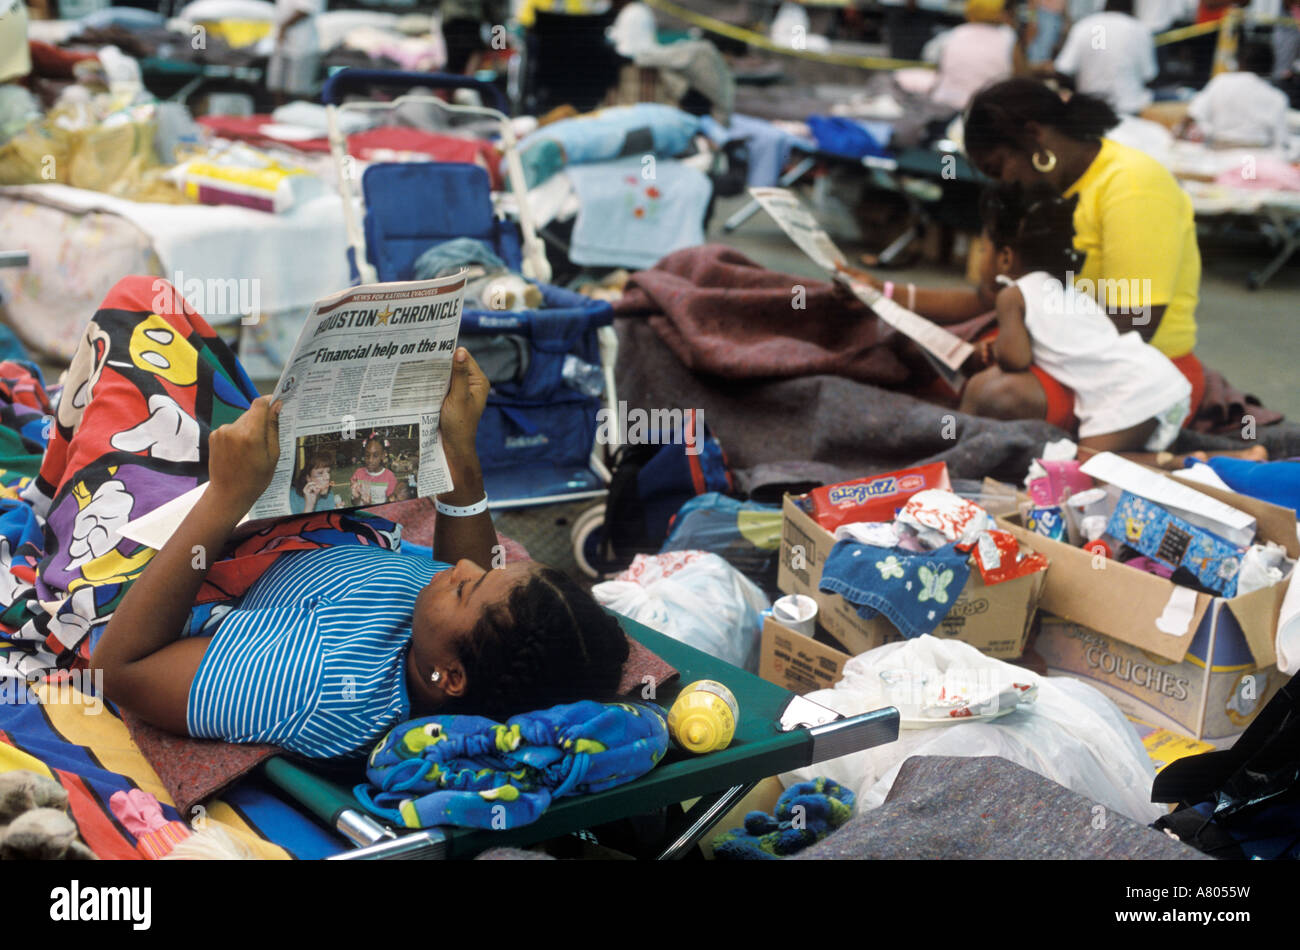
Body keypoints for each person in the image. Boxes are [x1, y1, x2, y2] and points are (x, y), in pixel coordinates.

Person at [90, 346, 630, 759]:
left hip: (188, 537)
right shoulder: (439, 646)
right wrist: (458, 451)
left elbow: (120, 669)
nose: (465, 566)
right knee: (188, 342)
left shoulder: (313, 682)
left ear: (451, 677)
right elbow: (465, 572)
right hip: (292, 519)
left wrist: (225, 498)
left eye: (466, 587)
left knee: (133, 323)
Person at [847, 80, 1206, 429]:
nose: (1001, 183)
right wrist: (882, 294)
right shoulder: (1043, 191)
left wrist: (1016, 351)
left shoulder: (1132, 185)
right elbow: (989, 298)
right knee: (909, 352)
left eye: (998, 168)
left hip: (1136, 373)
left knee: (996, 395)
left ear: (1034, 136)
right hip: (1067, 353)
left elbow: (1138, 321)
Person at [969, 183, 1193, 456]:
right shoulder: (1070, 293)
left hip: (1133, 392)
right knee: (1137, 464)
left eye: (982, 249)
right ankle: (1194, 461)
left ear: (1005, 258)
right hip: (1160, 377)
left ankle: (1179, 464)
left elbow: (1015, 359)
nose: (980, 256)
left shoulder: (1012, 296)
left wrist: (998, 348)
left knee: (1091, 467)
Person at [1052, 0, 1158, 115]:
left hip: (1090, 109)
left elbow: (1062, 70)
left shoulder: (1084, 26)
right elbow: (1149, 75)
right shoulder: (1140, 29)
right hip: (1129, 108)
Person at [923, 0, 1026, 111]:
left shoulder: (954, 34)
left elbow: (931, 60)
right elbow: (1022, 76)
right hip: (988, 108)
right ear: (1001, 13)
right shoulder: (1007, 35)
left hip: (946, 104)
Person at [1186, 42, 1289, 147]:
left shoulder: (1221, 82)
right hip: (1258, 157)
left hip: (1219, 154)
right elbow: (1280, 141)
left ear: (1240, 62)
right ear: (1270, 66)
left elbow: (1194, 114)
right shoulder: (1276, 97)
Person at [267, 0, 322, 104]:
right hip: (282, 43)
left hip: (304, 45)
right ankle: (281, 114)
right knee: (278, 86)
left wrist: (284, 27)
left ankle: (301, 117)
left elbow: (305, 10)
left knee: (300, 89)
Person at [351, 435, 398, 505]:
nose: (370, 460)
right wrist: (356, 497)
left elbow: (390, 506)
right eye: (367, 455)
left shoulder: (390, 477)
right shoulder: (358, 474)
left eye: (375, 455)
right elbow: (354, 503)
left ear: (383, 455)